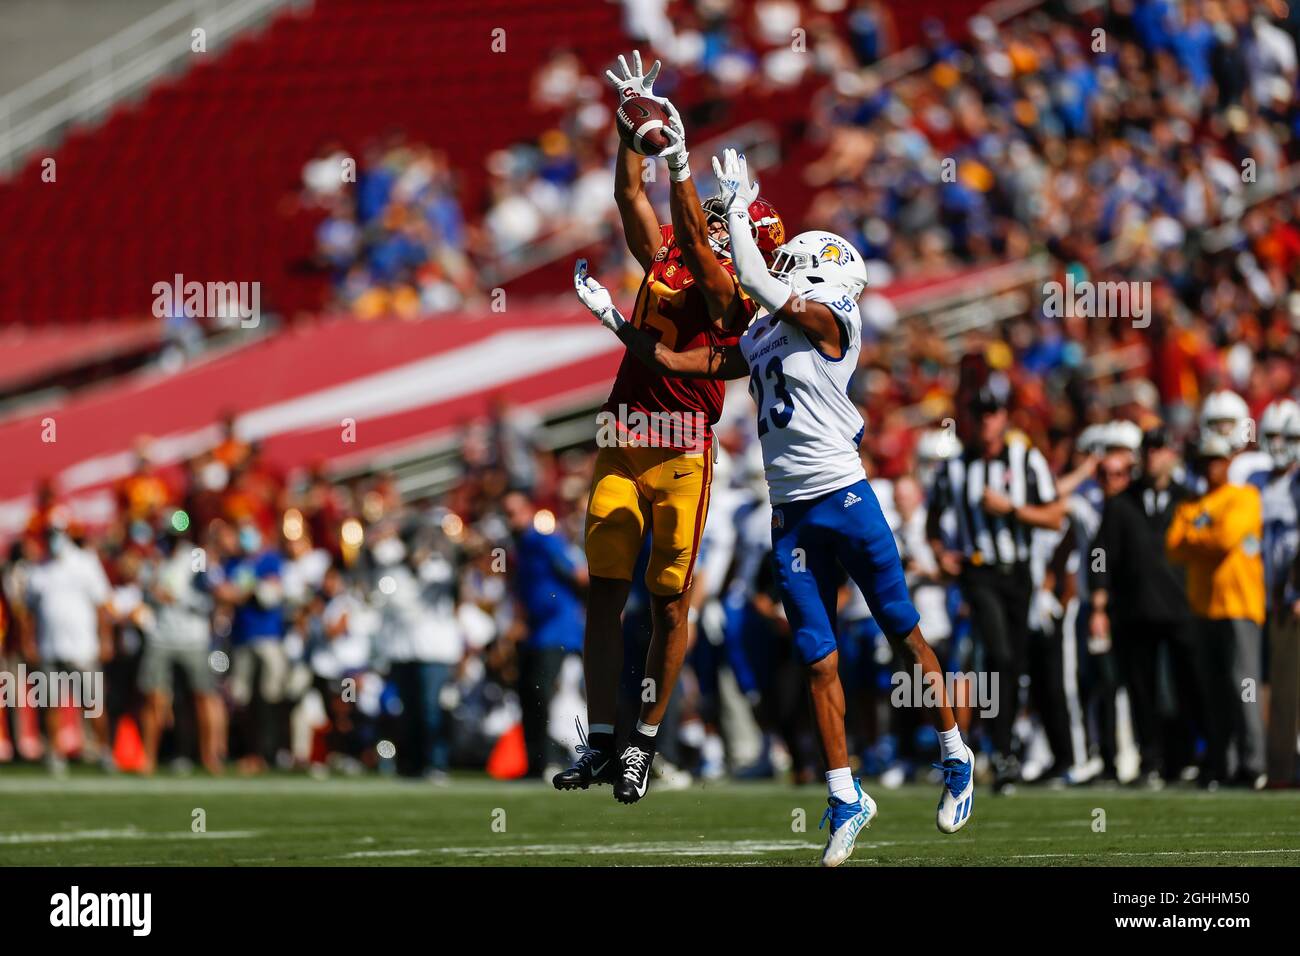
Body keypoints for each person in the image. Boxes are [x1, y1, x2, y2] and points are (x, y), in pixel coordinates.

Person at [576, 147, 971, 867]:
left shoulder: (833, 324)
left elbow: (755, 276)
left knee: (903, 633)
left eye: (799, 263)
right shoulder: (760, 333)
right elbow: (678, 363)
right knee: (818, 662)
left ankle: (955, 751)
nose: (786, 267)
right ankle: (847, 794)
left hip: (846, 496)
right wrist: (615, 324)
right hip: (788, 513)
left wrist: (724, 207)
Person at [553, 52, 782, 804]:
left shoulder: (736, 295)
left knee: (670, 602)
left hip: (682, 446)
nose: (716, 224)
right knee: (603, 592)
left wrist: (618, 322)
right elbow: (629, 194)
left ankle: (645, 742)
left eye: (728, 221)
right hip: (625, 438)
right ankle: (599, 739)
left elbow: (666, 345)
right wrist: (633, 120)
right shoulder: (672, 259)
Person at [927, 385, 1066, 791]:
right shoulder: (954, 467)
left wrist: (1013, 510)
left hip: (1018, 573)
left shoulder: (1027, 460)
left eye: (993, 412)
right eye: (980, 413)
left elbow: (1056, 517)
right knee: (1000, 654)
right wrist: (940, 554)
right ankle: (1000, 749)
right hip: (979, 572)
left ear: (1004, 418)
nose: (987, 421)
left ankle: (1003, 749)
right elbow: (933, 518)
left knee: (1013, 663)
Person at [1166, 432, 1267, 789]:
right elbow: (1173, 546)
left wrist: (1199, 537)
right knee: (1213, 691)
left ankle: (1254, 764)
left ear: (1229, 462)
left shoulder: (1245, 496)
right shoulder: (1192, 504)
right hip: (1204, 607)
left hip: (1240, 604)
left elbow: (1226, 539)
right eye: (1206, 461)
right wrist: (1204, 538)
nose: (1212, 468)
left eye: (1218, 460)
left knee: (1245, 687)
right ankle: (1222, 764)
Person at [505, 491, 587, 778]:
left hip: (556, 631)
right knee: (528, 695)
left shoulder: (544, 541)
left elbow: (577, 575)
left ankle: (551, 759)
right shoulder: (521, 548)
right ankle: (535, 761)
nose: (510, 519)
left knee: (545, 695)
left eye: (514, 512)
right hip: (536, 632)